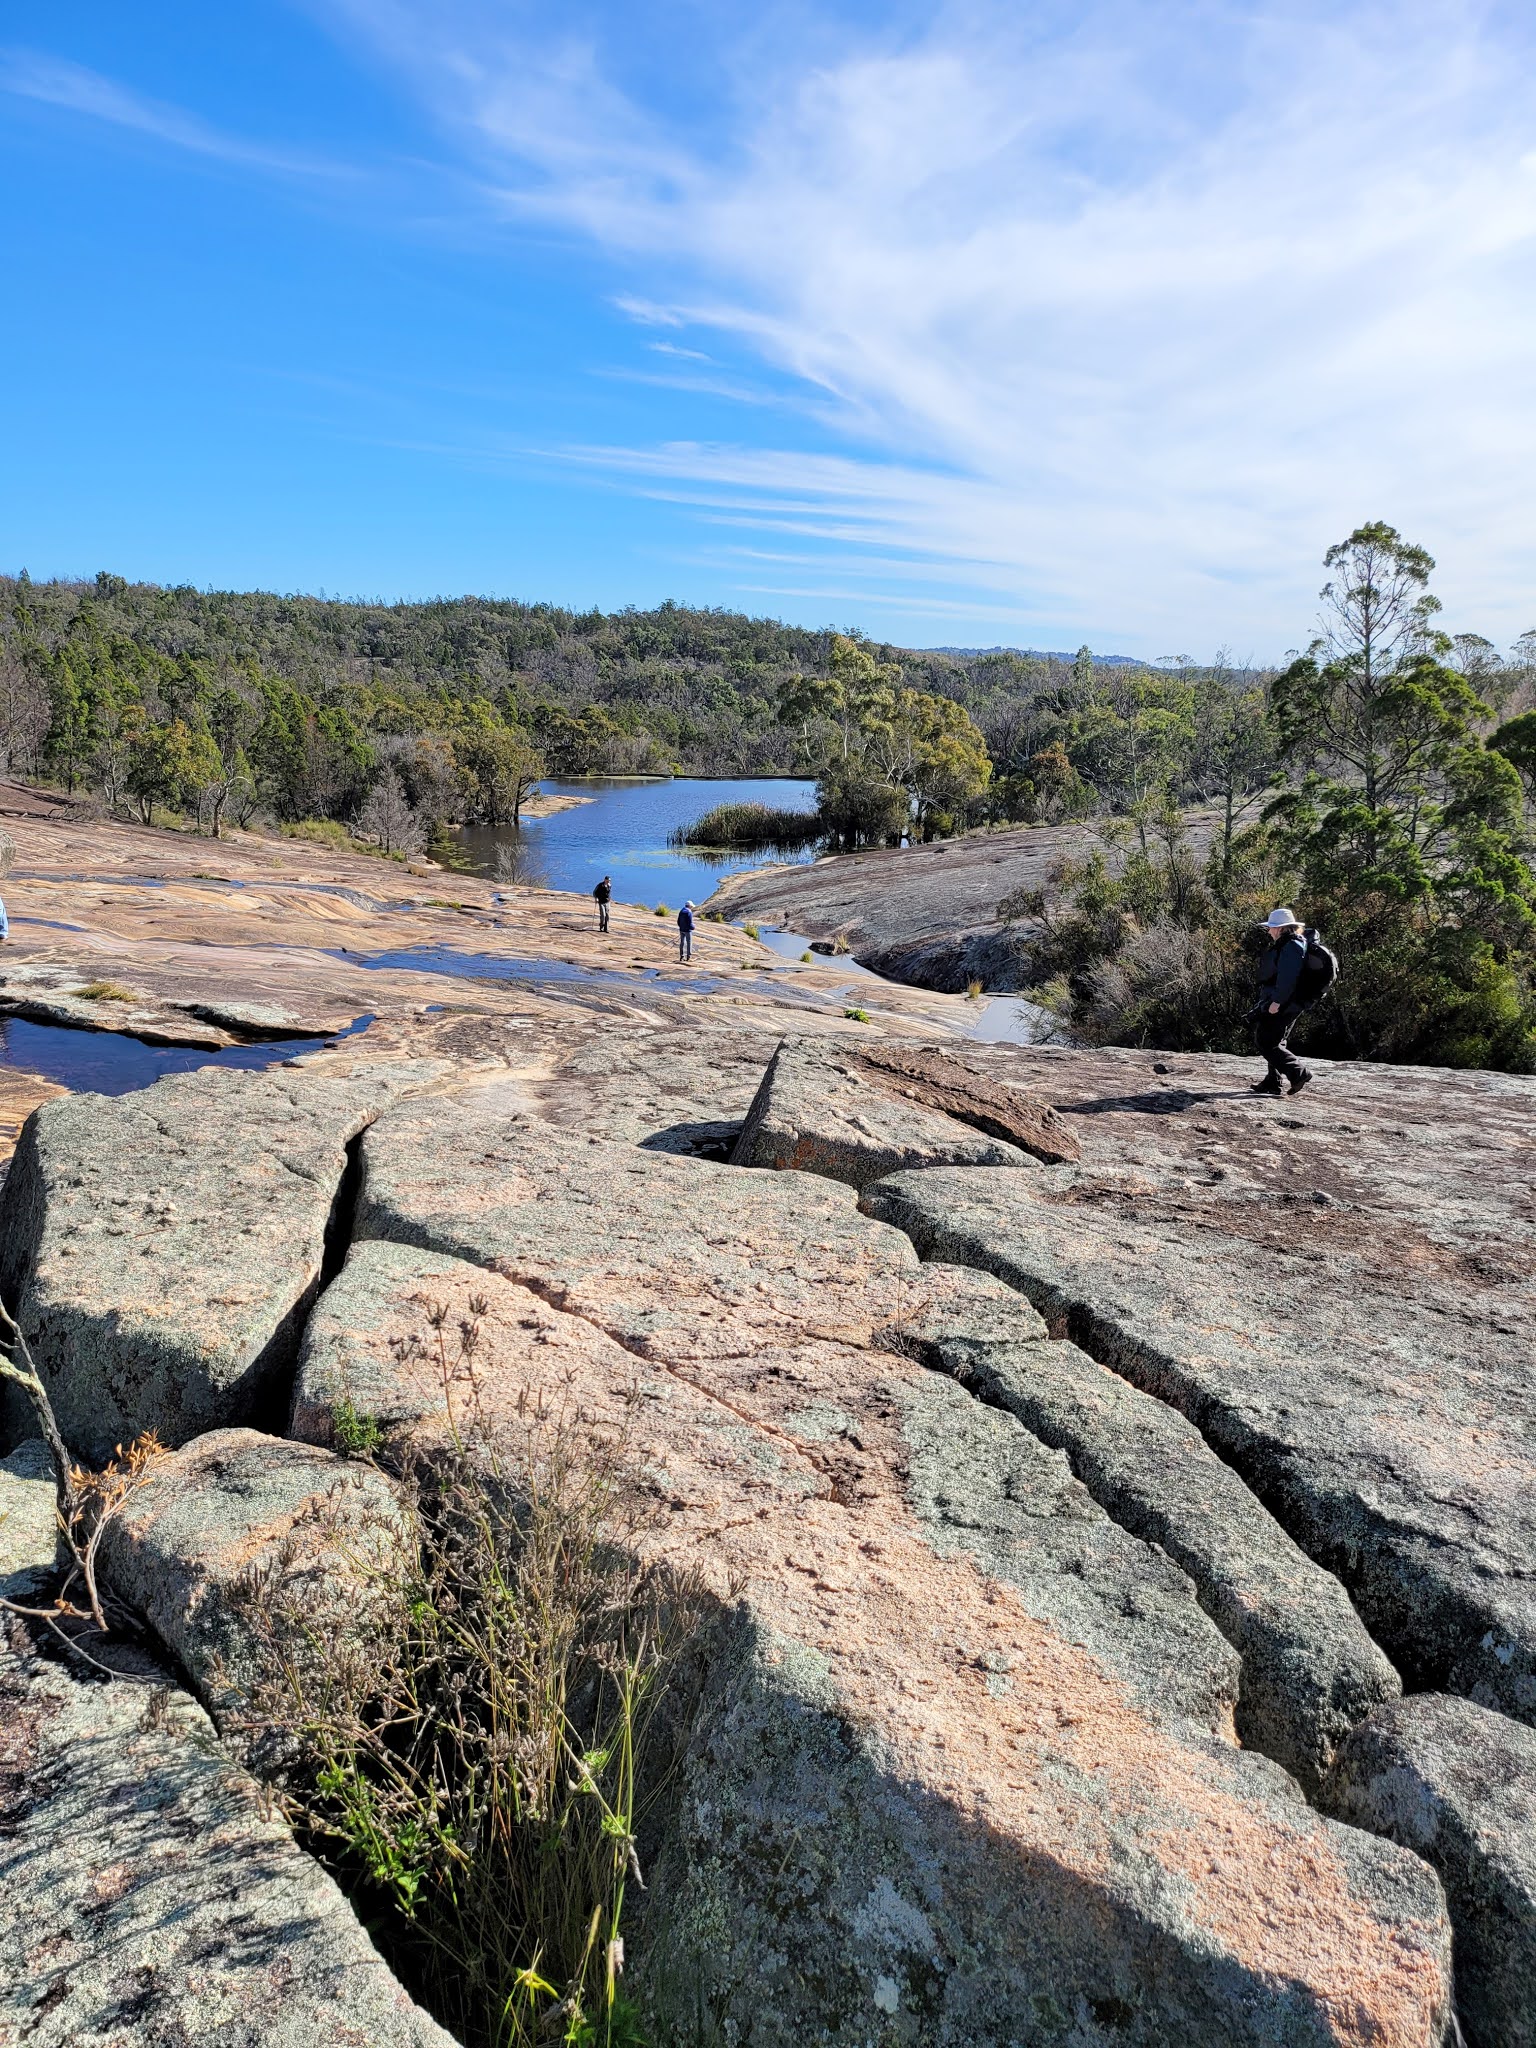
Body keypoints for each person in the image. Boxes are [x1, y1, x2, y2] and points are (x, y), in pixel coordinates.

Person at [1251, 907, 1313, 1097]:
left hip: (1284, 1003)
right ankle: (1273, 1082)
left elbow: (1288, 977)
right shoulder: (1293, 943)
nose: (1269, 931)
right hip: (1290, 1002)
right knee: (1277, 1040)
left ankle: (1299, 1073)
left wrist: (1277, 1002)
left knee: (1265, 1040)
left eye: (1271, 927)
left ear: (1280, 928)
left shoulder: (1291, 946)